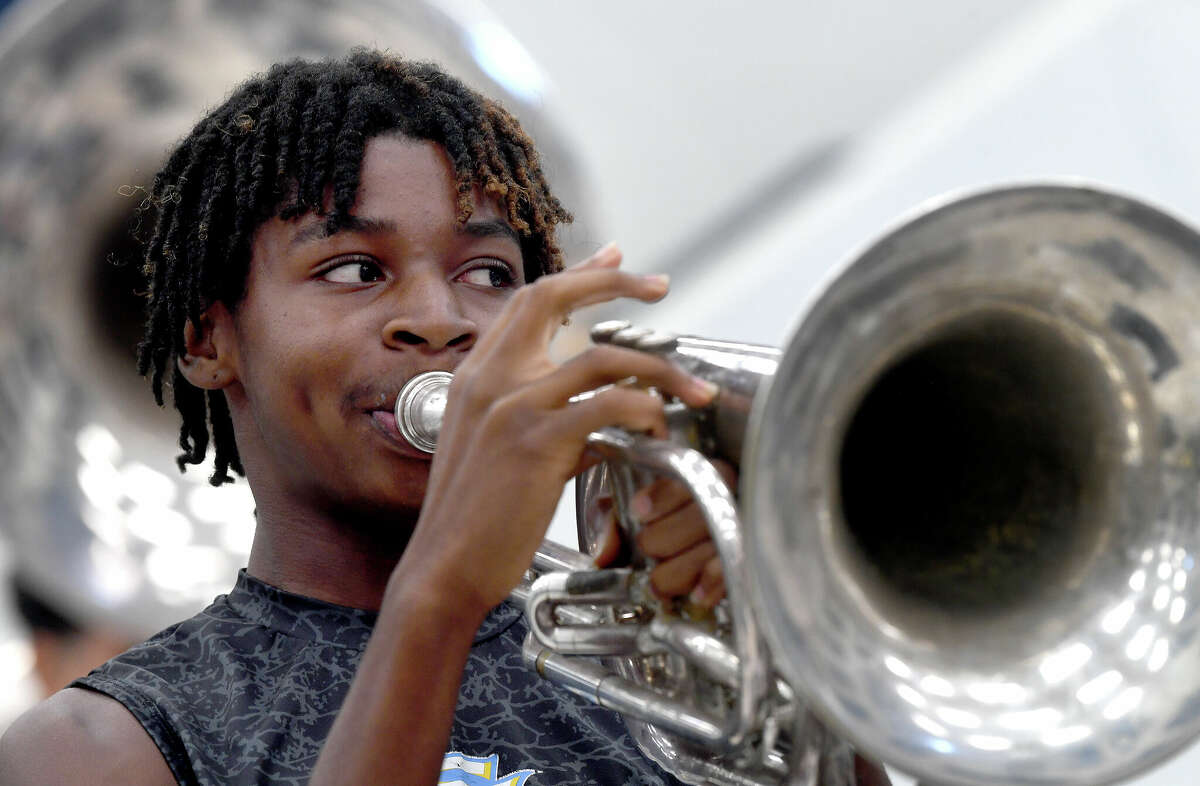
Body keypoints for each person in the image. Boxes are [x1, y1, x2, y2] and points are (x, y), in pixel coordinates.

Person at [0, 50, 888, 785]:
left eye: (489, 274)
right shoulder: (101, 747)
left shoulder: (653, 667)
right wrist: (442, 594)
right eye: (352, 268)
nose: (441, 317)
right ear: (207, 338)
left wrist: (782, 638)